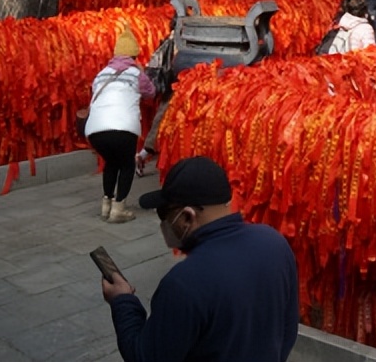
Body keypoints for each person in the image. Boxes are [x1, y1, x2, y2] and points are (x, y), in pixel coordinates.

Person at [101, 155, 299, 362]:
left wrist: (122, 301)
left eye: (164, 214)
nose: (164, 224)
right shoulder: (274, 242)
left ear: (187, 217)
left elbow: (144, 357)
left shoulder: (184, 282)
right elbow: (288, 329)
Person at [86, 26, 157, 223]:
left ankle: (106, 205)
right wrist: (143, 73)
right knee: (126, 165)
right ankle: (119, 209)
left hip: (95, 130)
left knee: (111, 163)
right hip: (123, 127)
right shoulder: (136, 74)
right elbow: (151, 93)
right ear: (134, 56)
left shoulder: (101, 74)